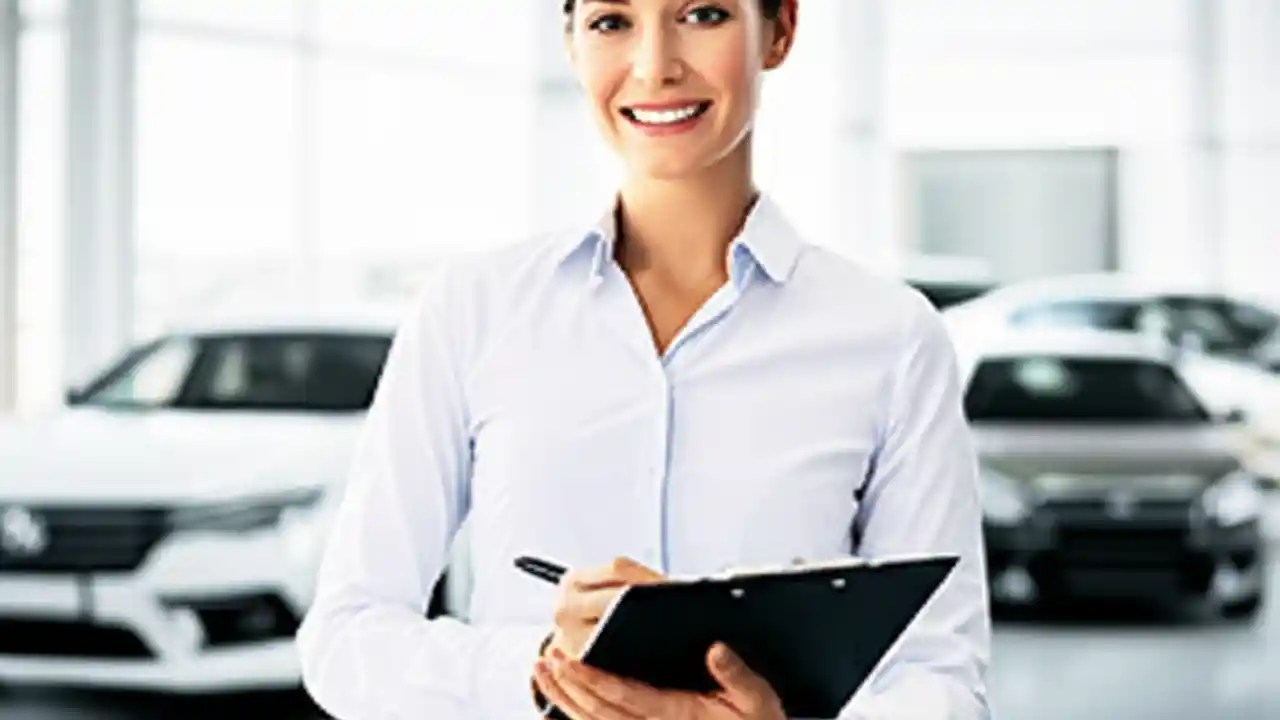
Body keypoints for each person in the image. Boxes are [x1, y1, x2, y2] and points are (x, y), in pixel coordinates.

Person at [296, 0, 991, 717]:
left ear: (779, 29)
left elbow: (940, 675)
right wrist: (543, 667)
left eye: (704, 13)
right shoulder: (473, 310)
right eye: (610, 22)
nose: (655, 64)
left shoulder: (892, 336)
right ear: (570, 43)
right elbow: (347, 639)